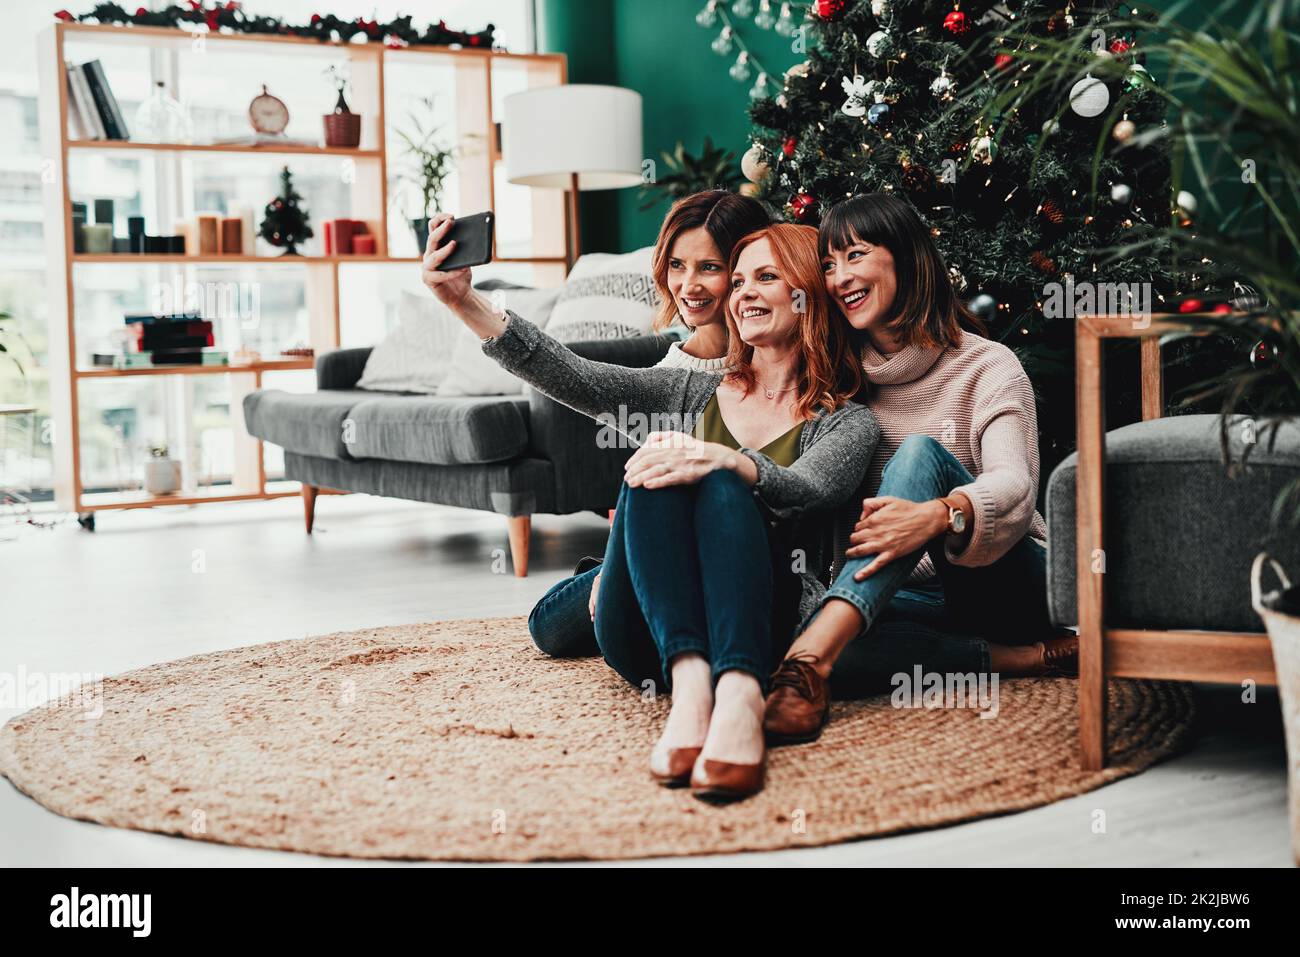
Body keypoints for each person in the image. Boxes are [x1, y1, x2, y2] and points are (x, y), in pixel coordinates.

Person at [421, 216, 878, 800]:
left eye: (765, 277)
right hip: (647, 641)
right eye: (737, 281)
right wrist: (465, 303)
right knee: (661, 458)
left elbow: (810, 489)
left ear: (808, 293)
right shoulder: (695, 393)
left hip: (762, 626)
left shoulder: (846, 421)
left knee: (708, 472)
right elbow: (578, 378)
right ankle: (692, 690)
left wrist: (728, 461)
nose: (741, 295)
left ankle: (737, 692)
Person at [762, 192, 1078, 745]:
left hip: (1004, 579)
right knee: (830, 643)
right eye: (829, 265)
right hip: (900, 598)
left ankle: (808, 663)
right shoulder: (838, 382)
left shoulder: (987, 365)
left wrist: (941, 515)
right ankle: (1022, 660)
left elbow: (1015, 484)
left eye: (855, 255)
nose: (839, 279)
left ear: (907, 257)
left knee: (918, 456)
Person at [527, 190, 771, 660]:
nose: (688, 285)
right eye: (677, 266)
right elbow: (570, 376)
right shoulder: (669, 378)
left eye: (709, 267)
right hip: (672, 547)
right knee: (550, 626)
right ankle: (616, 569)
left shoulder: (783, 362)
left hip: (750, 555)